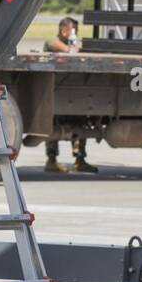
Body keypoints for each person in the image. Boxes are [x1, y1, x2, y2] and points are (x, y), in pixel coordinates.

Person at [43, 17, 97, 173]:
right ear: (63, 30)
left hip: (72, 92)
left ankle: (80, 159)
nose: (75, 33)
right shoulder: (52, 41)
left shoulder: (71, 42)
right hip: (54, 91)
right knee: (52, 126)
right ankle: (51, 160)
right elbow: (68, 51)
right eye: (73, 30)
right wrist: (75, 44)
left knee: (80, 123)